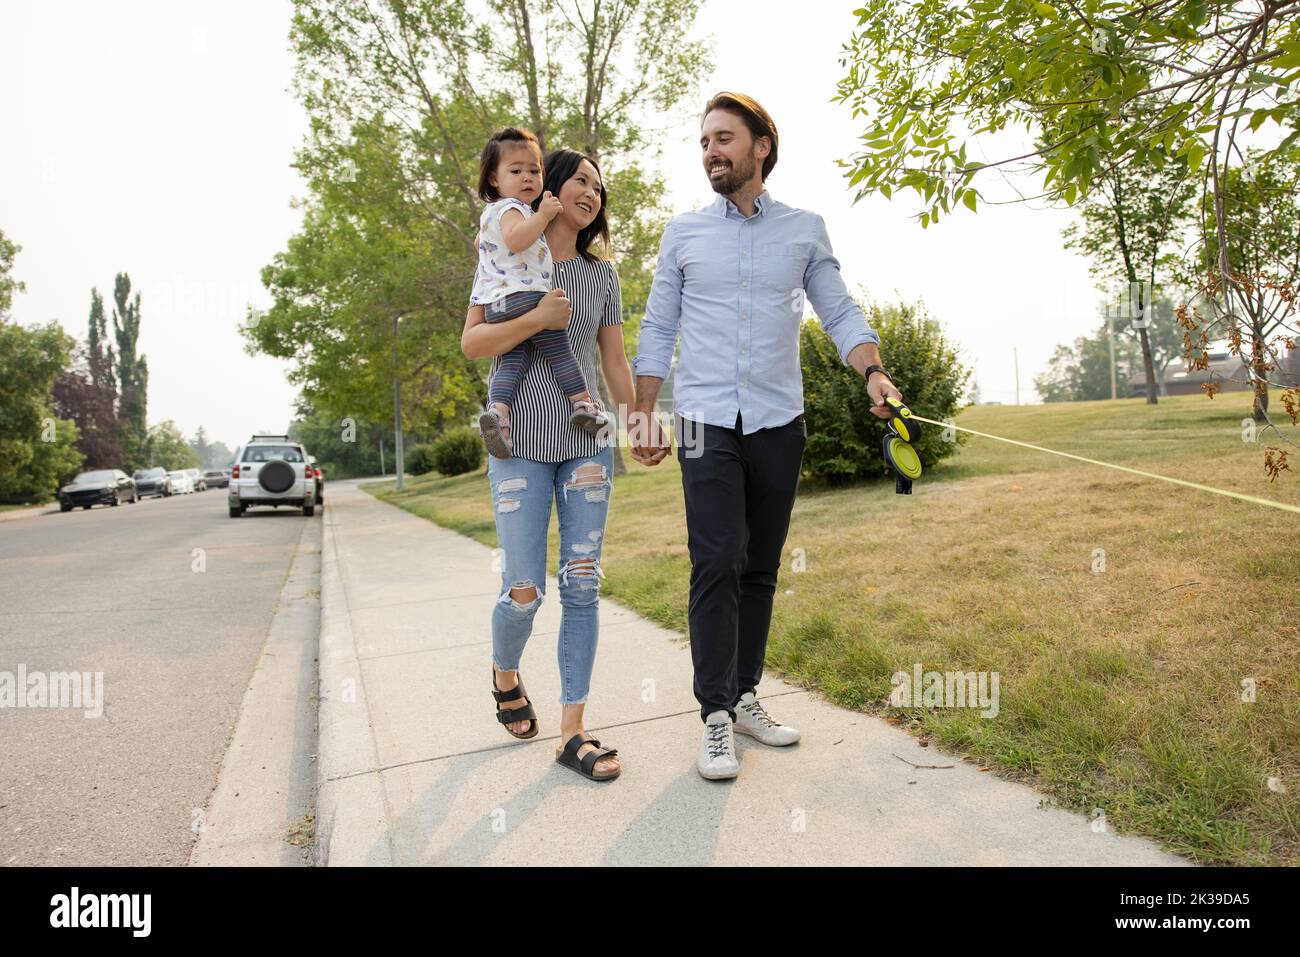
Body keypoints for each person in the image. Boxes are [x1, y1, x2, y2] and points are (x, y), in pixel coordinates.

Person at [631, 92, 905, 781]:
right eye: (703, 142)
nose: (710, 152)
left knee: (759, 567)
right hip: (703, 420)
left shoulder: (805, 229)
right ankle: (715, 715)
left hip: (779, 418)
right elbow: (659, 327)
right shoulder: (683, 234)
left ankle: (746, 692)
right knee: (716, 558)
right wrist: (644, 409)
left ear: (761, 146)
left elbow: (839, 308)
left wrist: (873, 371)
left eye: (723, 138)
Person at [461, 148, 633, 782]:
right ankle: (505, 672)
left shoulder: (601, 277)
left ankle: (573, 732)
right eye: (581, 181)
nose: (592, 193)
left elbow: (613, 361)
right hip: (517, 448)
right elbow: (473, 342)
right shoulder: (504, 257)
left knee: (582, 582)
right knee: (525, 590)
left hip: (585, 446)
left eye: (599, 186)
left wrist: (638, 417)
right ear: (552, 190)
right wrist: (536, 317)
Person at [470, 128, 609, 458]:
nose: (527, 178)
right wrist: (545, 214)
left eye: (534, 171)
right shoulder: (513, 209)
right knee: (560, 350)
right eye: (516, 171)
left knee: (513, 358)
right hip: (524, 295)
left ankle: (499, 413)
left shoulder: (489, 215)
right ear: (494, 178)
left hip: (497, 303)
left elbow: (483, 246)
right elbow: (518, 240)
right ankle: (582, 404)